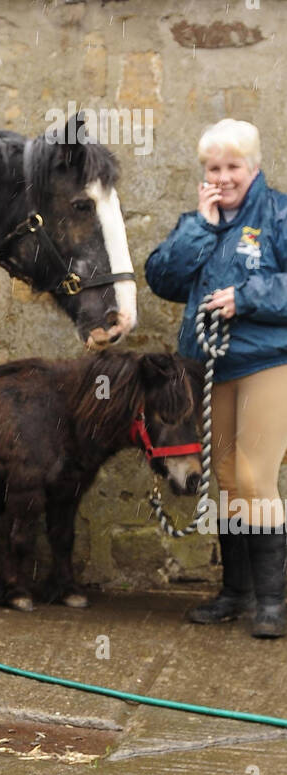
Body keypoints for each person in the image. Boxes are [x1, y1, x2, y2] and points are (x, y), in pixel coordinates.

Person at [145, 118, 287, 638]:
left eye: (233, 167)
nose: (223, 177)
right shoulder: (197, 221)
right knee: (226, 480)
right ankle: (236, 590)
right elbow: (161, 277)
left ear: (253, 167)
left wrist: (245, 297)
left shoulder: (279, 215)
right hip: (207, 368)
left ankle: (273, 601)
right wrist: (199, 228)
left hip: (267, 362)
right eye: (213, 168)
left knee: (253, 477)